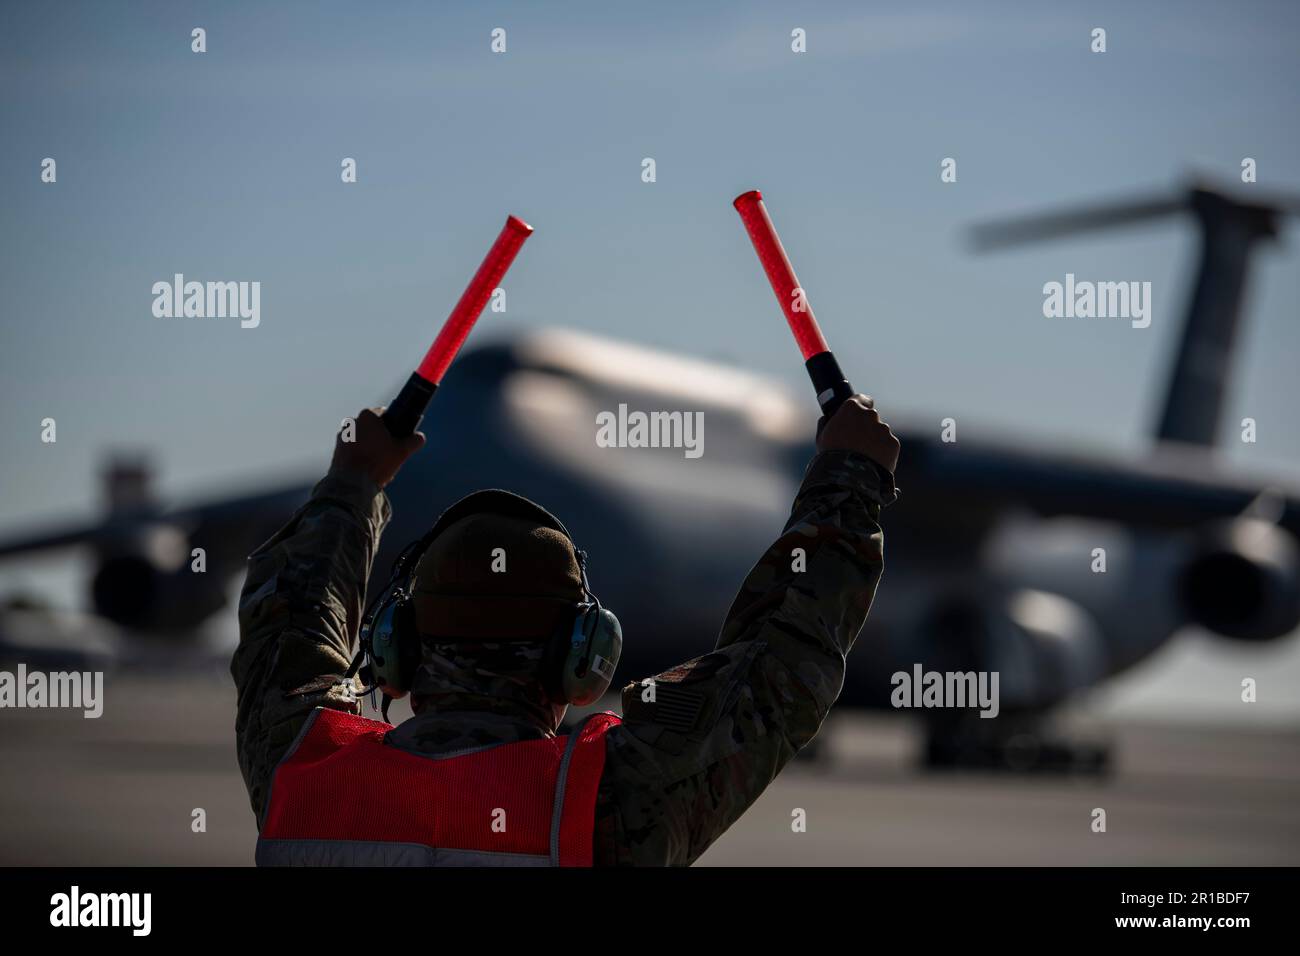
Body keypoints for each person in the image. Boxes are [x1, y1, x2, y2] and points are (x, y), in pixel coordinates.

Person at [232, 395, 899, 866]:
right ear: (584, 659)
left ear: (397, 648)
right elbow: (783, 662)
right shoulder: (605, 800)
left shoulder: (304, 770)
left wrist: (349, 485)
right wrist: (848, 474)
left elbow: (287, 622)